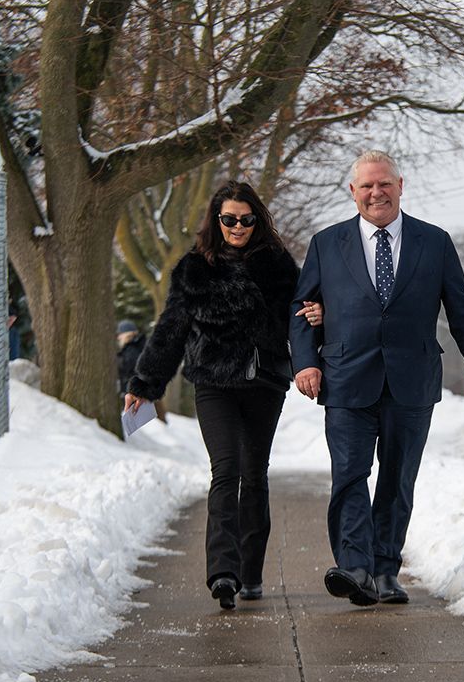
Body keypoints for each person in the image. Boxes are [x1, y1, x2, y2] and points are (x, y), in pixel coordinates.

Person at [289, 150, 464, 607]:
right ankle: (355, 566)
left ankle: (385, 570)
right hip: (345, 378)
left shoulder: (434, 242)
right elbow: (302, 312)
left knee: (398, 479)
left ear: (401, 185)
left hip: (412, 379)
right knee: (350, 474)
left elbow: (463, 308)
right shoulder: (326, 243)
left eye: (384, 184)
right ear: (353, 192)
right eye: (366, 186)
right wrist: (305, 362)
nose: (376, 193)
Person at [124, 180, 320, 610]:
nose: (237, 226)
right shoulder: (195, 269)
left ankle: (251, 573)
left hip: (265, 383)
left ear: (257, 221)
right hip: (214, 383)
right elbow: (171, 331)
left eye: (246, 219)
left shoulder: (279, 266)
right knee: (226, 470)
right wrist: (145, 384)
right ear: (216, 221)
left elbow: (303, 316)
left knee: (254, 475)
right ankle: (223, 573)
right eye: (229, 219)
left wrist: (317, 318)